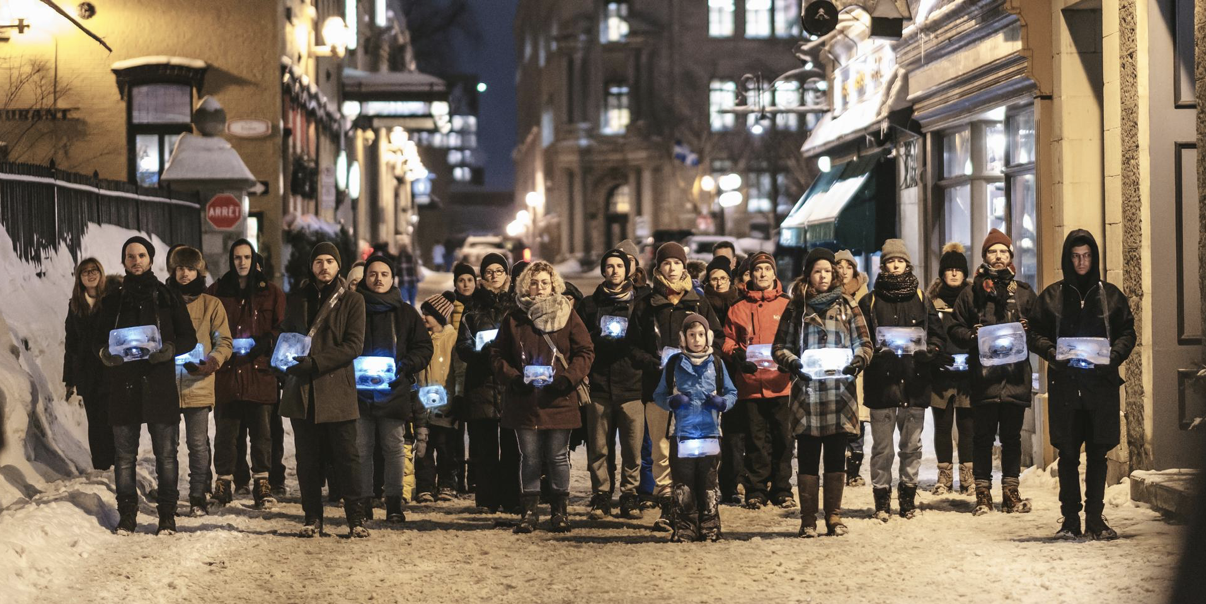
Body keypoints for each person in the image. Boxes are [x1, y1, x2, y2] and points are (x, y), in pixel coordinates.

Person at [1030, 230, 1136, 540]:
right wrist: (1053, 352)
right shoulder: (1051, 297)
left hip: (1100, 386)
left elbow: (1127, 332)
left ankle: (1094, 517)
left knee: (1098, 454)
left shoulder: (1111, 296)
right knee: (1068, 454)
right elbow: (1036, 333)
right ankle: (1070, 519)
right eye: (1076, 256)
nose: (1081, 261)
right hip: (1065, 387)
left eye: (1087, 256)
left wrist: (1112, 356)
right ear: (1067, 258)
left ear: (1095, 258)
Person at [95, 236, 198, 535]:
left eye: (141, 255)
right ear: (124, 261)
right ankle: (127, 515)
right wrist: (105, 355)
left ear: (151, 259)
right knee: (124, 456)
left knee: (166, 454)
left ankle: (167, 515)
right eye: (130, 256)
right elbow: (97, 340)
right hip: (123, 386)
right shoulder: (113, 300)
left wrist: (169, 349)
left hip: (159, 385)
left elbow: (188, 337)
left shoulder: (167, 297)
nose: (136, 260)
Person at [772, 248, 872, 538]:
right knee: (807, 456)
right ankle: (807, 520)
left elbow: (865, 343)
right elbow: (779, 347)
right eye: (817, 271)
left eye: (827, 271)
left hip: (840, 393)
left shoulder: (848, 304)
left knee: (835, 457)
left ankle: (834, 516)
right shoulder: (796, 307)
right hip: (808, 394)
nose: (823, 276)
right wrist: (793, 363)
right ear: (808, 274)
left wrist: (857, 362)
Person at [626, 242, 725, 531]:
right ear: (658, 269)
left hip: (695, 392)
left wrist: (701, 360)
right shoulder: (646, 303)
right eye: (666, 263)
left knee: (693, 446)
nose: (671, 268)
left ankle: (696, 507)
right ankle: (669, 506)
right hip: (657, 388)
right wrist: (654, 362)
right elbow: (631, 346)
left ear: (684, 266)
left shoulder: (698, 302)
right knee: (661, 447)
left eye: (677, 263)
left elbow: (717, 338)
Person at [491, 261, 595, 533]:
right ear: (526, 284)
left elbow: (585, 350)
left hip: (558, 399)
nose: (539, 288)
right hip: (525, 400)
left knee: (558, 457)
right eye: (534, 282)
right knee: (530, 457)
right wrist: (513, 378)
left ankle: (559, 512)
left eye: (544, 283)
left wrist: (567, 379)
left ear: (553, 286)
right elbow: (497, 354)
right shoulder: (514, 317)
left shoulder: (567, 314)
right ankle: (529, 512)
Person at [278, 241, 369, 537]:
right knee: (307, 459)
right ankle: (312, 518)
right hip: (303, 392)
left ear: (338, 265)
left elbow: (353, 346)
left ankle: (356, 519)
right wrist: (281, 357)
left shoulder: (352, 301)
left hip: (336, 390)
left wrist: (315, 363)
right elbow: (287, 335)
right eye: (319, 261)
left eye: (330, 261)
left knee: (347, 456)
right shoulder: (297, 299)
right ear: (311, 266)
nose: (324, 267)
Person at [948, 229, 1040, 516]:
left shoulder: (1024, 293)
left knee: (1012, 439)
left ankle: (1011, 493)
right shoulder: (971, 293)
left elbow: (1041, 330)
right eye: (992, 252)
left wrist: (1029, 329)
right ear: (985, 257)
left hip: (1015, 379)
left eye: (1003, 251)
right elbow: (954, 328)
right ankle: (983, 494)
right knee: (982, 438)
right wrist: (972, 336)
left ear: (1011, 256)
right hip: (984, 380)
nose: (998, 256)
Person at [858, 240, 946, 521]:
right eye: (890, 262)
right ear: (882, 266)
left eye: (899, 261)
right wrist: (873, 351)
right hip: (881, 384)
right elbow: (860, 339)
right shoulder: (869, 301)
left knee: (911, 446)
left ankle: (907, 498)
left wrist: (929, 352)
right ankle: (881, 500)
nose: (895, 266)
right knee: (882, 449)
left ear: (907, 264)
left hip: (914, 380)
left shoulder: (921, 298)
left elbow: (936, 335)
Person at [206, 239, 287, 509]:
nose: (242, 262)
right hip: (228, 372)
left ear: (254, 260)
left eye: (247, 257)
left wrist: (267, 342)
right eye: (237, 257)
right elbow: (206, 325)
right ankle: (224, 482)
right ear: (231, 260)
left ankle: (262, 482)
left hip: (259, 371)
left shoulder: (271, 292)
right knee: (226, 432)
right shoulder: (218, 290)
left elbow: (281, 327)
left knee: (262, 433)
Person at [355, 254, 433, 523]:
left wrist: (405, 365)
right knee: (362, 449)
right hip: (359, 394)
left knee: (394, 449)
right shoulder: (353, 308)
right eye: (373, 274)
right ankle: (363, 503)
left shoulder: (406, 312)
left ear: (393, 278)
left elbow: (424, 348)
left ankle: (394, 504)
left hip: (394, 392)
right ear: (365, 277)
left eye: (384, 274)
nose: (378, 279)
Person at [653, 314, 737, 542]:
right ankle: (685, 528)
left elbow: (731, 392)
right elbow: (658, 394)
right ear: (684, 338)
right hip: (681, 435)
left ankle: (710, 527)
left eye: (701, 334)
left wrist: (723, 403)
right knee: (684, 485)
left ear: (708, 336)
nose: (697, 339)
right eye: (692, 335)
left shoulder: (717, 364)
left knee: (709, 484)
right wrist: (671, 401)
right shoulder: (674, 364)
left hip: (710, 433)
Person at [722, 252, 795, 510]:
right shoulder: (738, 308)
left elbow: (796, 339)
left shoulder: (788, 304)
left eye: (767, 269)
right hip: (750, 385)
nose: (762, 274)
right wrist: (737, 354)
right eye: (758, 270)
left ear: (774, 273)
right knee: (755, 439)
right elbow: (728, 340)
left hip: (781, 383)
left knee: (784, 439)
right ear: (750, 275)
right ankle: (756, 489)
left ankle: (782, 489)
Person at [576, 248, 645, 519]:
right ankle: (601, 496)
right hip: (600, 383)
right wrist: (598, 337)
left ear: (628, 270)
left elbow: (647, 339)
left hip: (632, 383)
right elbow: (580, 342)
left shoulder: (640, 302)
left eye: (619, 265)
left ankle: (630, 496)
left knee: (632, 447)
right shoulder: (590, 304)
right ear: (603, 270)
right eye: (609, 266)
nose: (614, 270)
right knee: (599, 447)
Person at [167, 247, 233, 516]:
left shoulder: (211, 304)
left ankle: (197, 496)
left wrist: (211, 362)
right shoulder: (164, 301)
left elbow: (224, 341)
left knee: (197, 443)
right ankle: (168, 496)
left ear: (199, 271)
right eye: (180, 268)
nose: (184, 273)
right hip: (167, 386)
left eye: (190, 268)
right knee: (168, 446)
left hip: (199, 383)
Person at [456, 253, 521, 514]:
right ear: (482, 276)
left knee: (512, 447)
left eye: (499, 270)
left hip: (510, 385)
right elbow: (462, 346)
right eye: (489, 271)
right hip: (481, 383)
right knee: (483, 448)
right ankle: (486, 499)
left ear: (507, 275)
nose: (494, 275)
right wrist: (483, 352)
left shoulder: (517, 305)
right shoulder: (472, 308)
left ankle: (512, 498)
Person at [927, 242, 975, 495]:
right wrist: (934, 355)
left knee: (968, 426)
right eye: (949, 269)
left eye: (959, 269)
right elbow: (926, 334)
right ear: (942, 273)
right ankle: (944, 475)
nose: (954, 273)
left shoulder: (974, 299)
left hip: (968, 375)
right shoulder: (931, 302)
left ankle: (968, 475)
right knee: (943, 427)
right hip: (941, 374)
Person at [64, 257, 116, 470]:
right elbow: (71, 342)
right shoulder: (76, 305)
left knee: (113, 419)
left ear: (101, 273)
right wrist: (69, 379)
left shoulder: (112, 299)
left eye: (94, 270)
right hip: (87, 373)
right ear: (80, 278)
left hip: (111, 369)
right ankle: (101, 466)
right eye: (85, 272)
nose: (90, 274)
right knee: (95, 422)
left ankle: (117, 463)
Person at [703, 255, 745, 504]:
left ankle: (731, 483)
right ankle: (709, 483)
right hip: (710, 372)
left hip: (735, 371)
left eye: (723, 278)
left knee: (733, 434)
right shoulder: (701, 303)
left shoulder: (738, 301)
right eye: (713, 278)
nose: (718, 283)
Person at [415, 293, 460, 502]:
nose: (424, 317)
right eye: (423, 313)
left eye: (428, 314)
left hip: (446, 403)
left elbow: (458, 370)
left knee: (445, 447)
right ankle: (425, 486)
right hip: (424, 403)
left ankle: (447, 484)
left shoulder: (453, 338)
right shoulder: (422, 338)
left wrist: (456, 397)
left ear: (440, 316)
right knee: (424, 446)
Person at [835, 249, 871, 486]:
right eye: (840, 266)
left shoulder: (866, 297)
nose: (844, 271)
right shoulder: (828, 296)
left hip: (859, 363)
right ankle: (838, 467)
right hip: (835, 361)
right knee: (838, 414)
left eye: (849, 266)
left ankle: (855, 469)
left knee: (858, 413)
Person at [447, 262, 477, 492]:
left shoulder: (482, 304)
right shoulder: (448, 306)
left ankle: (476, 477)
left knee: (476, 429)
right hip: (452, 370)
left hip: (475, 370)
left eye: (469, 280)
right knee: (454, 428)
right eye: (461, 280)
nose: (465, 284)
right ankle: (455, 477)